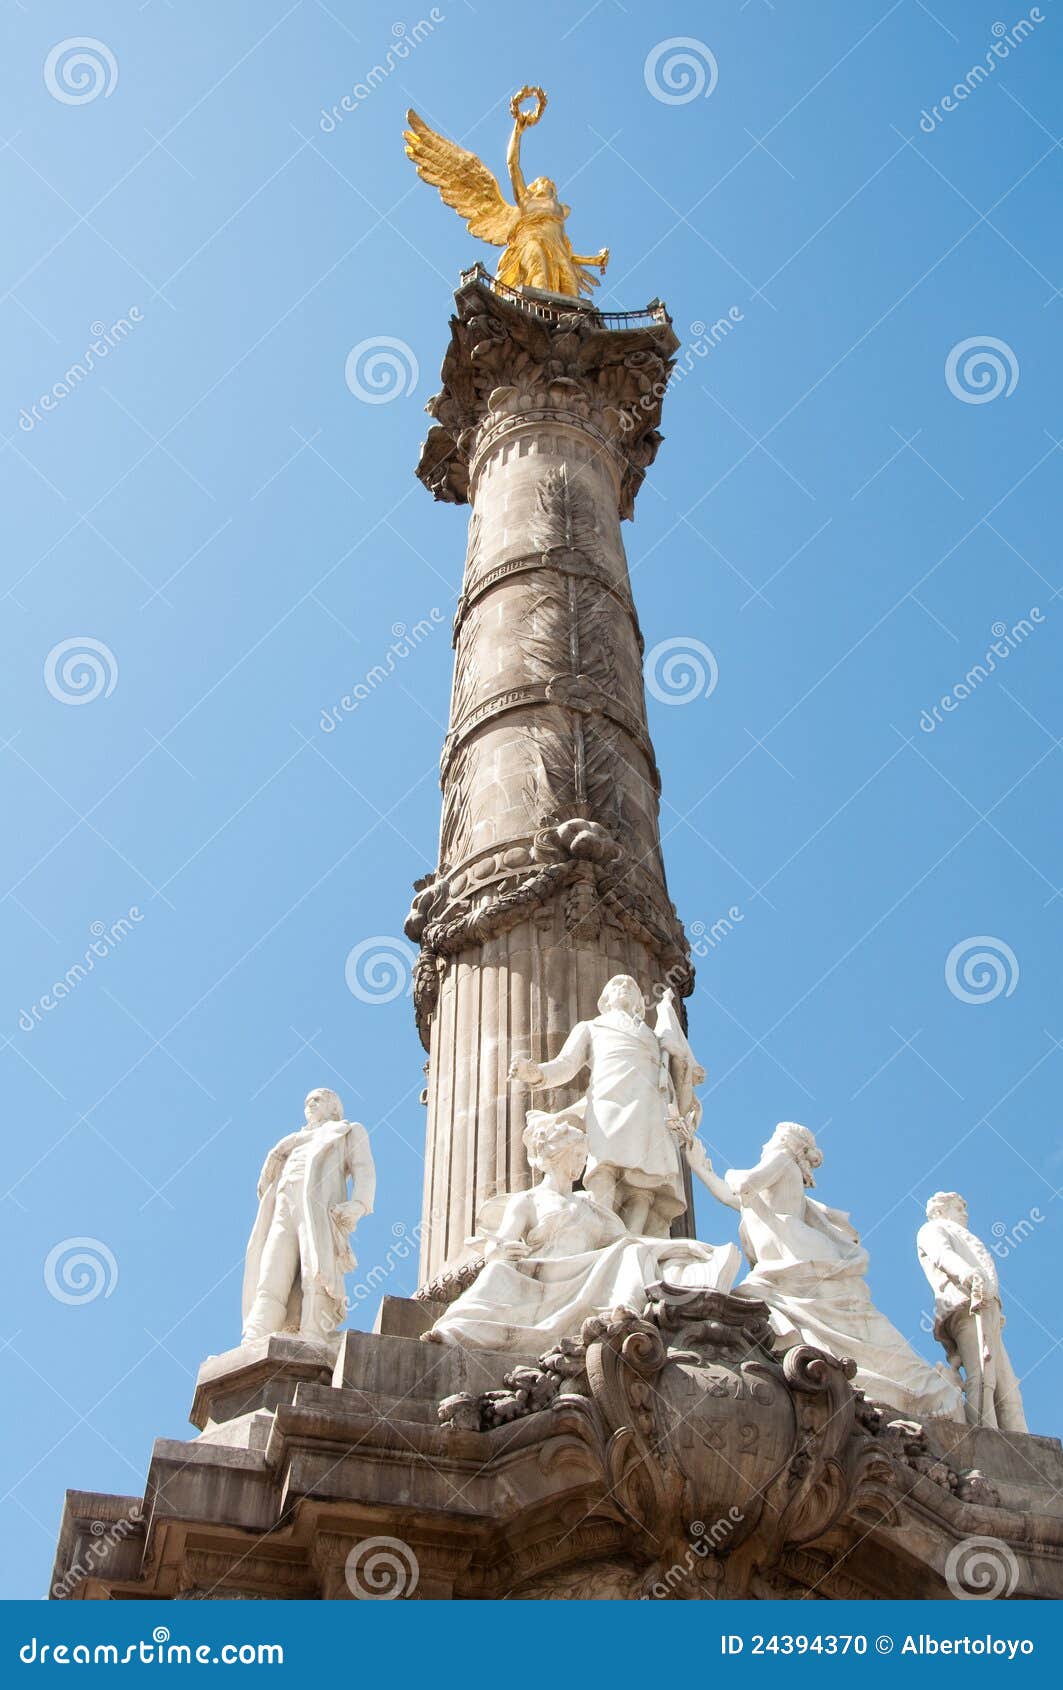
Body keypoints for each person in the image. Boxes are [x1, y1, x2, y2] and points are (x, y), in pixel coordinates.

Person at [687, 1122, 962, 1420]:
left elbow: (743, 1185)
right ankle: (917, 1385)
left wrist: (726, 1173)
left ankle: (925, 1388)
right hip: (784, 1265)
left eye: (771, 1139)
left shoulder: (782, 1157)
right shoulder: (779, 1168)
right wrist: (699, 1166)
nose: (764, 1145)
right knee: (836, 1323)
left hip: (799, 1260)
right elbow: (733, 1197)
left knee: (846, 1326)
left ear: (786, 1140)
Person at [424, 1108, 738, 1352]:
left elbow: (629, 1242)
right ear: (555, 1156)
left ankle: (622, 1312)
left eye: (583, 1157)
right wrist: (500, 1249)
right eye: (576, 1156)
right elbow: (499, 1243)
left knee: (629, 1253)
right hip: (543, 1273)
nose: (581, 1164)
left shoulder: (589, 1205)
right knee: (498, 1273)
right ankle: (454, 1332)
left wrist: (680, 1246)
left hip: (585, 1274)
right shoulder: (528, 1201)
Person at [508, 976, 696, 1236]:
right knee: (603, 1164)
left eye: (631, 986)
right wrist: (536, 1073)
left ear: (640, 1002)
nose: (625, 987)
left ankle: (630, 1238)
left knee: (645, 1176)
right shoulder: (591, 1027)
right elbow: (566, 1065)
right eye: (617, 985)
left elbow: (673, 1070)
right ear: (605, 999)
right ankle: (599, 1231)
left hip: (649, 1104)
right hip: (608, 1100)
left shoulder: (653, 1036)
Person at [241, 1088, 375, 1343]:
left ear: (334, 1107)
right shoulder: (289, 1144)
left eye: (318, 1099)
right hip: (283, 1203)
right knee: (272, 1268)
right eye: (307, 1101)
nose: (310, 1103)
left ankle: (314, 1332)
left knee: (315, 1267)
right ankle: (257, 1334)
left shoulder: (347, 1130)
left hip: (318, 1206)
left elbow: (364, 1169)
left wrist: (359, 1204)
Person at [917, 1191, 1027, 1432]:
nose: (965, 1213)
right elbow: (942, 1255)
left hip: (987, 1308)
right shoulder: (932, 1229)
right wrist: (967, 1274)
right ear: (940, 1210)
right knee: (982, 1377)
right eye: (958, 1208)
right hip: (966, 1306)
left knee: (1008, 1389)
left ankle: (1019, 1441)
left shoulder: (960, 1233)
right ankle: (984, 1436)